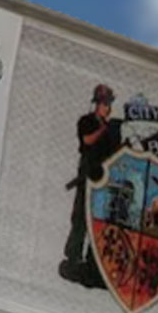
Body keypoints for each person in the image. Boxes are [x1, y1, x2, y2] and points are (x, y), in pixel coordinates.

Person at [60, 84, 122, 285]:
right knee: (80, 219)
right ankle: (73, 258)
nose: (107, 107)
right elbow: (87, 141)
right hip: (87, 177)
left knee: (99, 222)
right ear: (97, 104)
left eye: (109, 104)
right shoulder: (86, 121)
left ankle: (93, 264)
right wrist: (103, 129)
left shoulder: (112, 129)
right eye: (104, 103)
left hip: (105, 180)